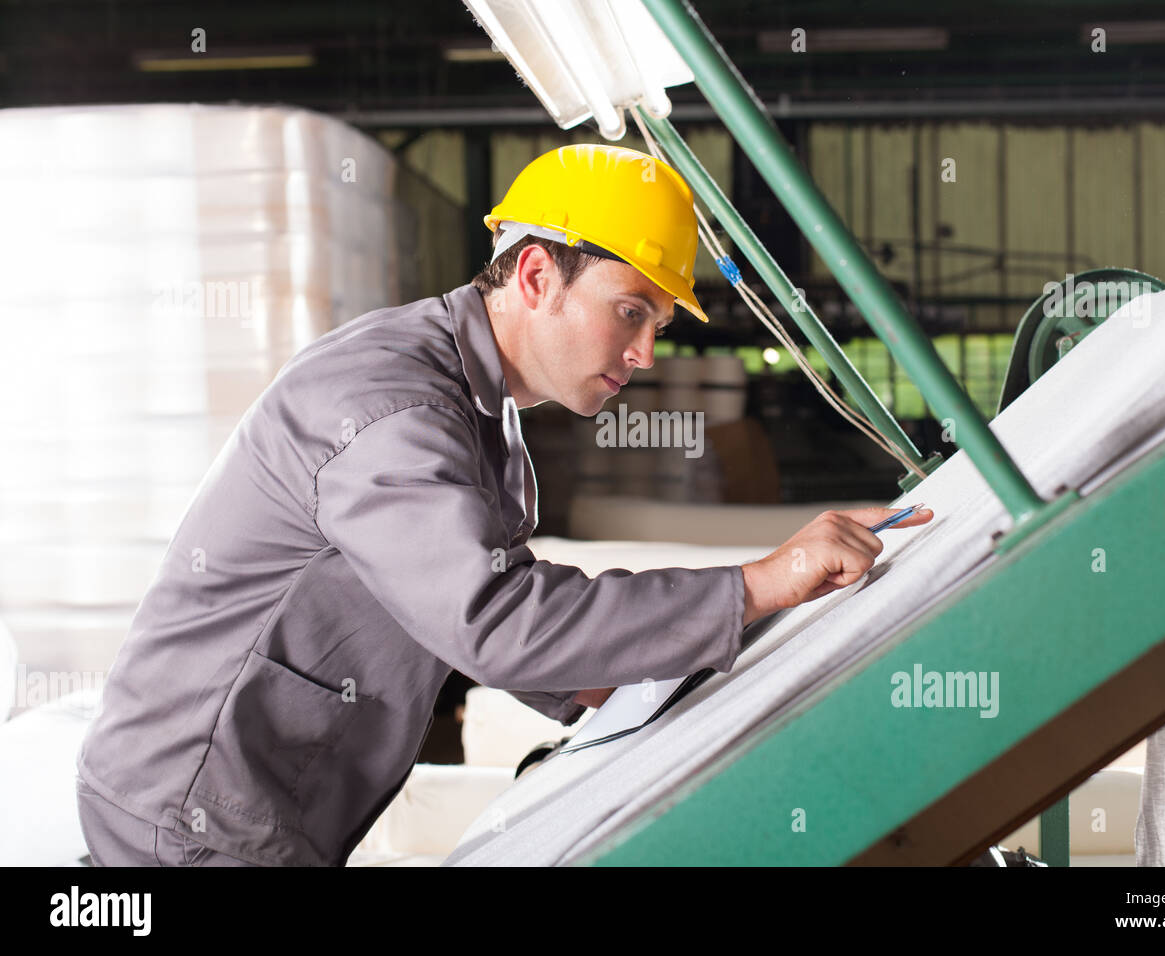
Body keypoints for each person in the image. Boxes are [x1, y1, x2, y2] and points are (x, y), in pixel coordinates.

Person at [75, 143, 932, 867]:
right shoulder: (395, 403)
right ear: (534, 275)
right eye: (630, 311)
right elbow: (495, 619)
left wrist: (736, 684)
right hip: (189, 817)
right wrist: (757, 584)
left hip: (263, 805)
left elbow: (528, 646)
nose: (642, 352)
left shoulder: (489, 420)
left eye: (658, 326)